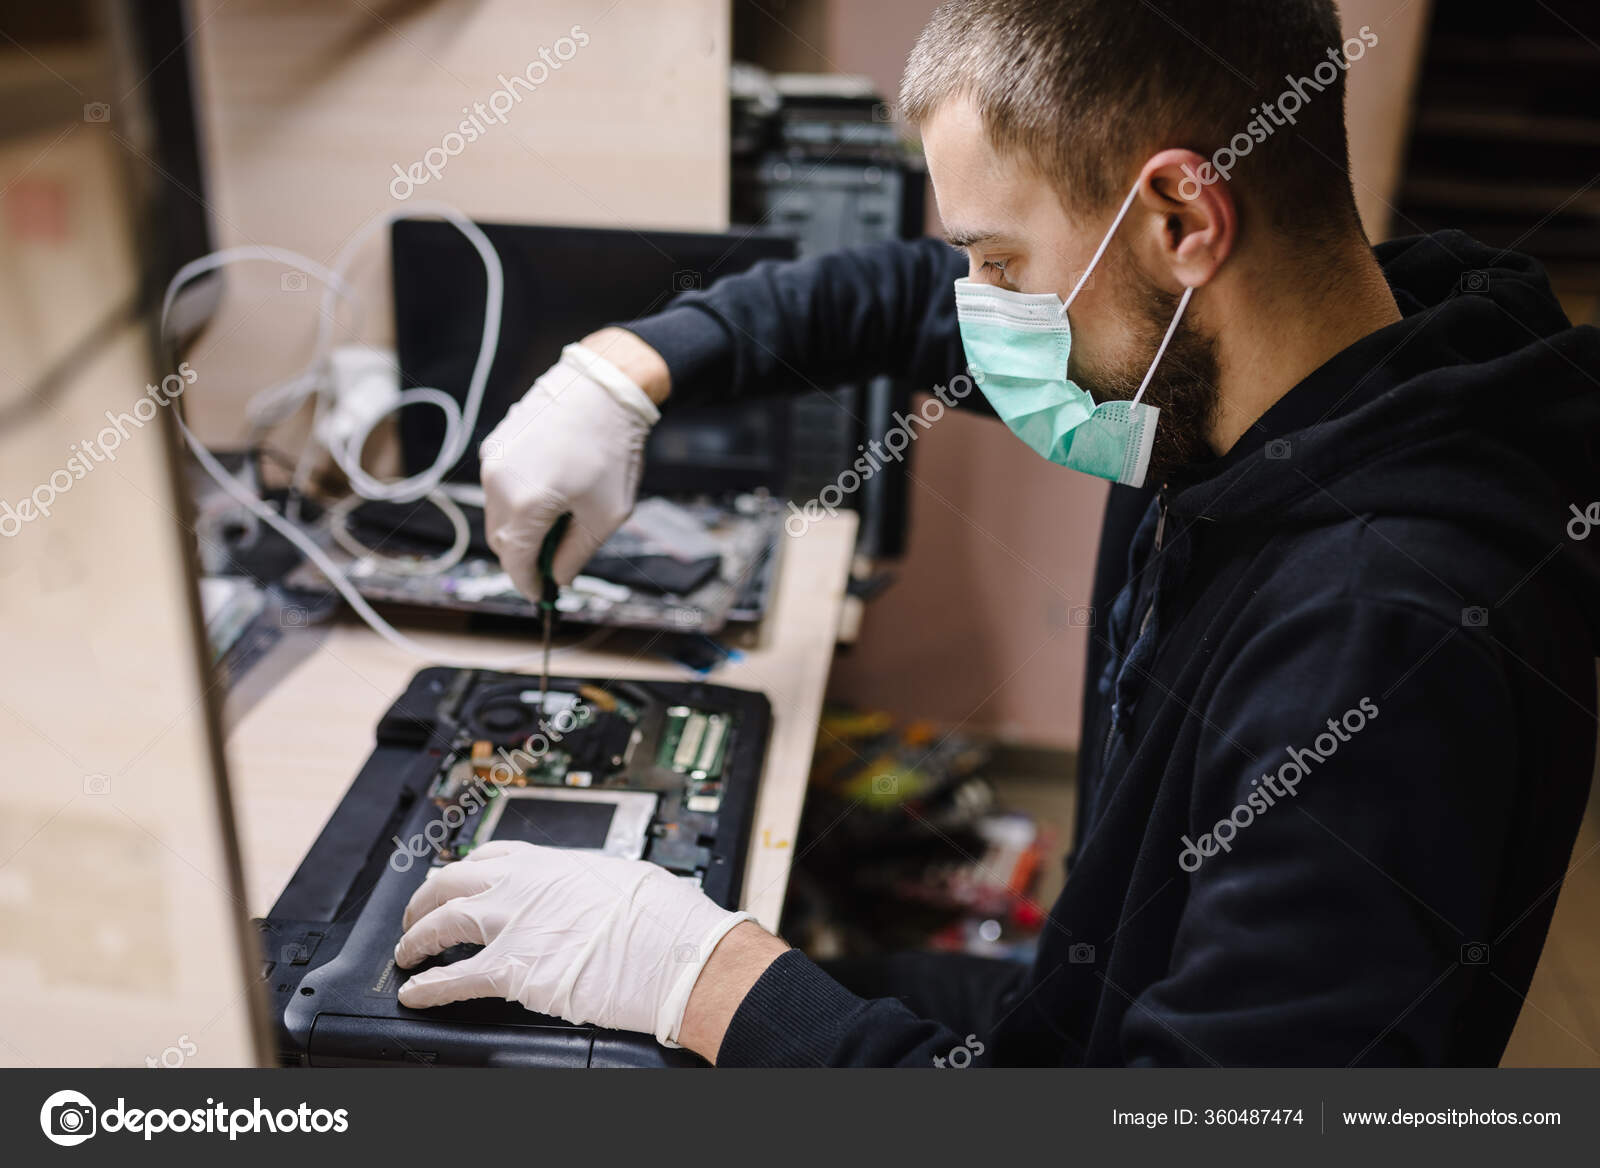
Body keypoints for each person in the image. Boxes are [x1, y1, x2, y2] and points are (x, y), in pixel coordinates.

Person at [390, 0, 1600, 1066]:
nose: (980, 316)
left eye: (999, 262)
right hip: (1081, 996)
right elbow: (895, 300)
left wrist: (703, 982)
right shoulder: (1275, 357)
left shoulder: (1381, 638)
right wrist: (628, 369)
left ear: (1183, 217)